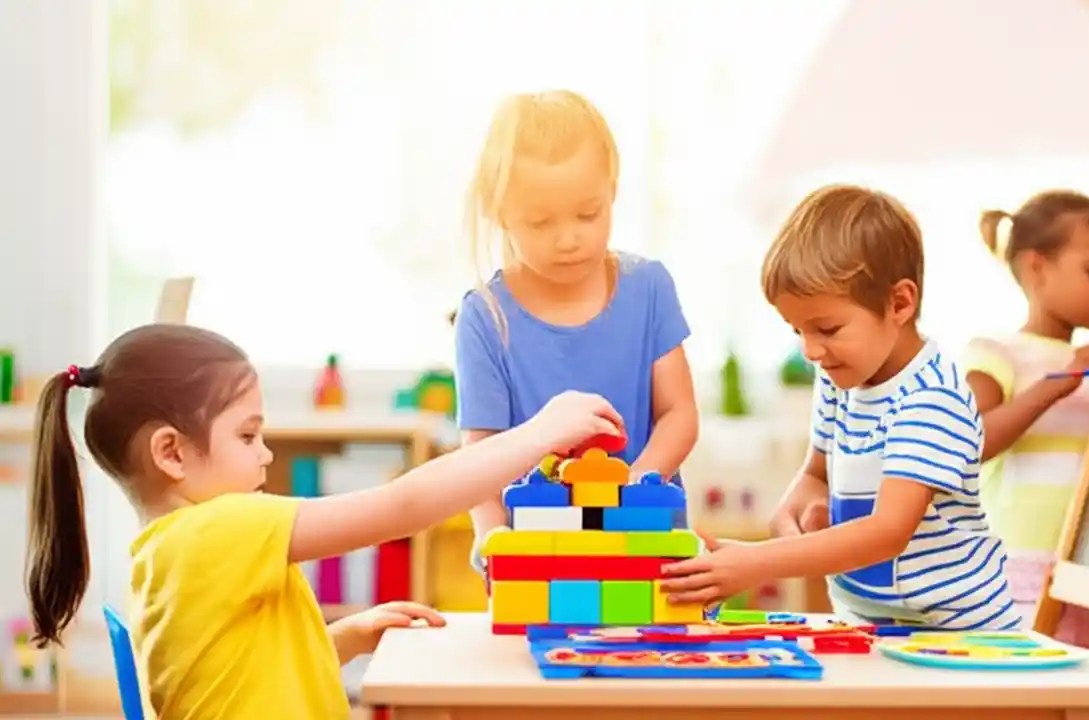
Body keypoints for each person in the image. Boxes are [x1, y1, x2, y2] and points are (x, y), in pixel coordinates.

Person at [25, 323, 621, 718]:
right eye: (248, 434)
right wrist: (540, 432)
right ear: (171, 453)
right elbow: (402, 507)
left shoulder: (172, 552)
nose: (264, 454)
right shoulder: (215, 531)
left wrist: (345, 637)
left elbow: (244, 677)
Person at [660, 185, 1020, 631]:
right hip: (877, 631)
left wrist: (759, 562)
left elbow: (887, 532)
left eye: (826, 328)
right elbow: (816, 474)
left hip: (964, 638)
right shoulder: (840, 380)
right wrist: (797, 512)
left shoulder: (931, 399)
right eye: (797, 330)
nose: (810, 350)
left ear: (899, 303)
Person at [455, 89, 698, 573]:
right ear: (499, 212)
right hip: (541, 557)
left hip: (645, 549)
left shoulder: (649, 289)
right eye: (541, 221)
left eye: (588, 214)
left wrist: (629, 494)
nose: (569, 238)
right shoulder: (485, 317)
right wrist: (490, 537)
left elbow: (679, 412)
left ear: (613, 190)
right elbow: (480, 455)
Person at [964, 190, 1089, 648]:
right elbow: (971, 442)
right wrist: (1061, 380)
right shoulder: (996, 352)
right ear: (1036, 268)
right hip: (1014, 575)